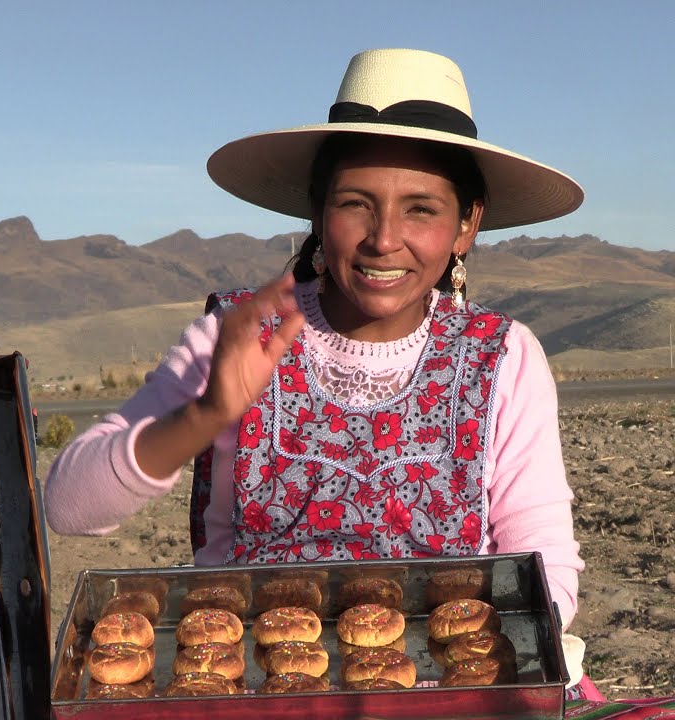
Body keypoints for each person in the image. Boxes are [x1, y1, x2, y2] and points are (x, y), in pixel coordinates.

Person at [43, 48, 599, 698]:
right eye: (356, 204)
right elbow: (66, 507)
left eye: (421, 208)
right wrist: (204, 416)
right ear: (316, 212)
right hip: (247, 687)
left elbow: (546, 566)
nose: (384, 238)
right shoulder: (239, 334)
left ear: (466, 224)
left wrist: (474, 679)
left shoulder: (503, 358)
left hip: (445, 692)